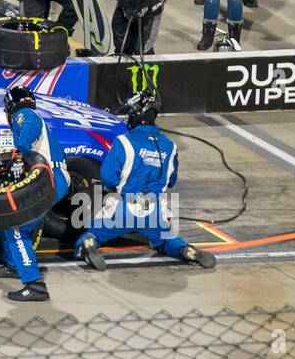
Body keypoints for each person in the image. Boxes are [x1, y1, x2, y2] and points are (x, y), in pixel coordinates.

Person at [75, 91, 216, 271]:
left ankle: (88, 245)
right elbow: (171, 181)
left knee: (92, 233)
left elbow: (108, 177)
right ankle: (186, 250)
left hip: (123, 209)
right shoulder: (170, 146)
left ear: (136, 114)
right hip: (154, 212)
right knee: (166, 240)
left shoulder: (124, 141)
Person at [0, 86, 70, 302]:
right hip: (48, 176)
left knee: (17, 228)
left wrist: (20, 149)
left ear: (10, 106)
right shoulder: (30, 114)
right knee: (10, 219)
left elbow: (28, 129)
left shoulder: (25, 114)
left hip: (50, 177)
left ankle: (34, 285)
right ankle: (13, 265)